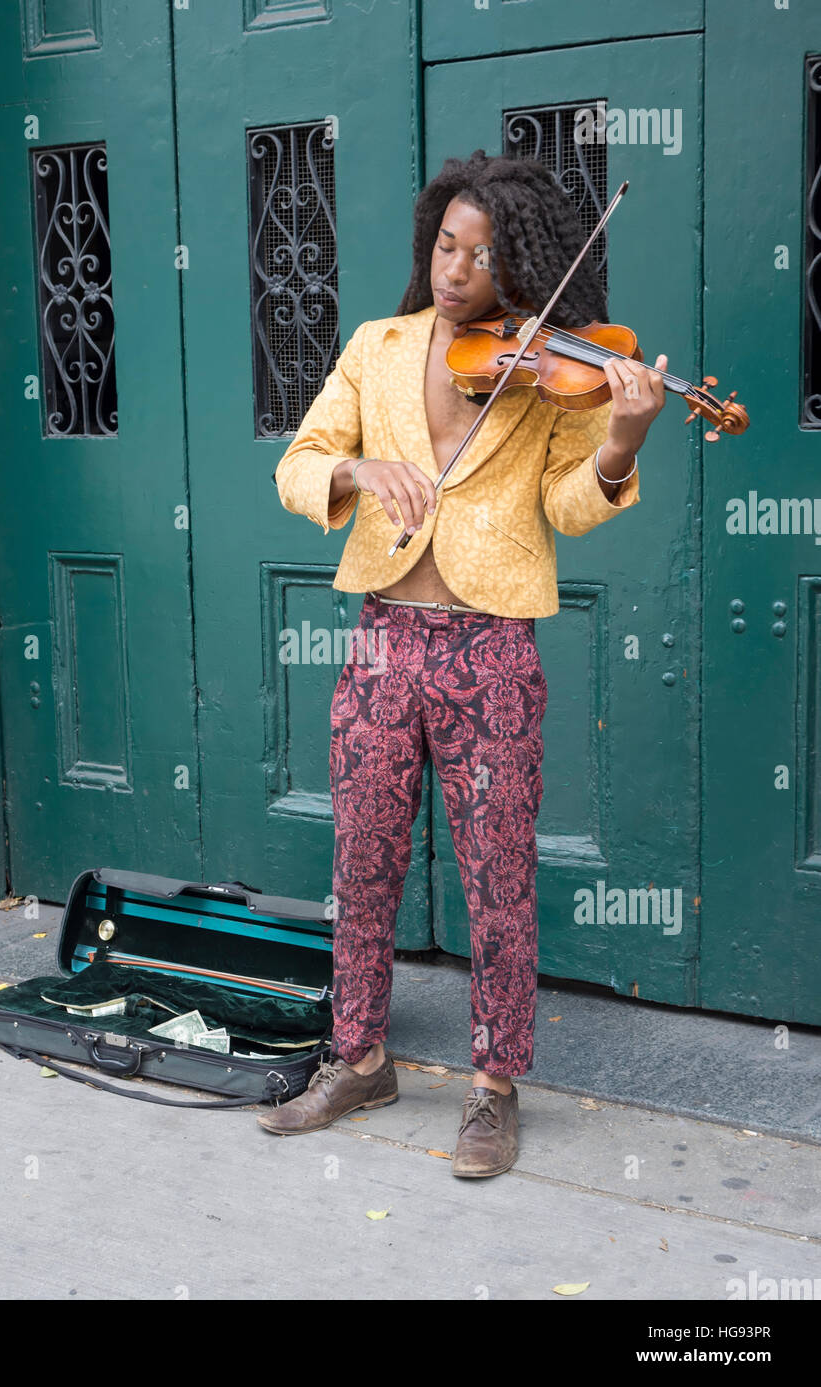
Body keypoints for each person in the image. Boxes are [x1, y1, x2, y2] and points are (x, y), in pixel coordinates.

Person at [259, 151, 666, 1177]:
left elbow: (574, 503)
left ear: (517, 269)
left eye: (482, 259)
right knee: (361, 862)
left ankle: (493, 1088)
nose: (456, 271)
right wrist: (357, 466)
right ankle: (357, 1056)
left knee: (498, 875)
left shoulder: (550, 372)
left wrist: (620, 438)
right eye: (446, 245)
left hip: (490, 649)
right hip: (384, 636)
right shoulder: (377, 346)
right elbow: (297, 465)